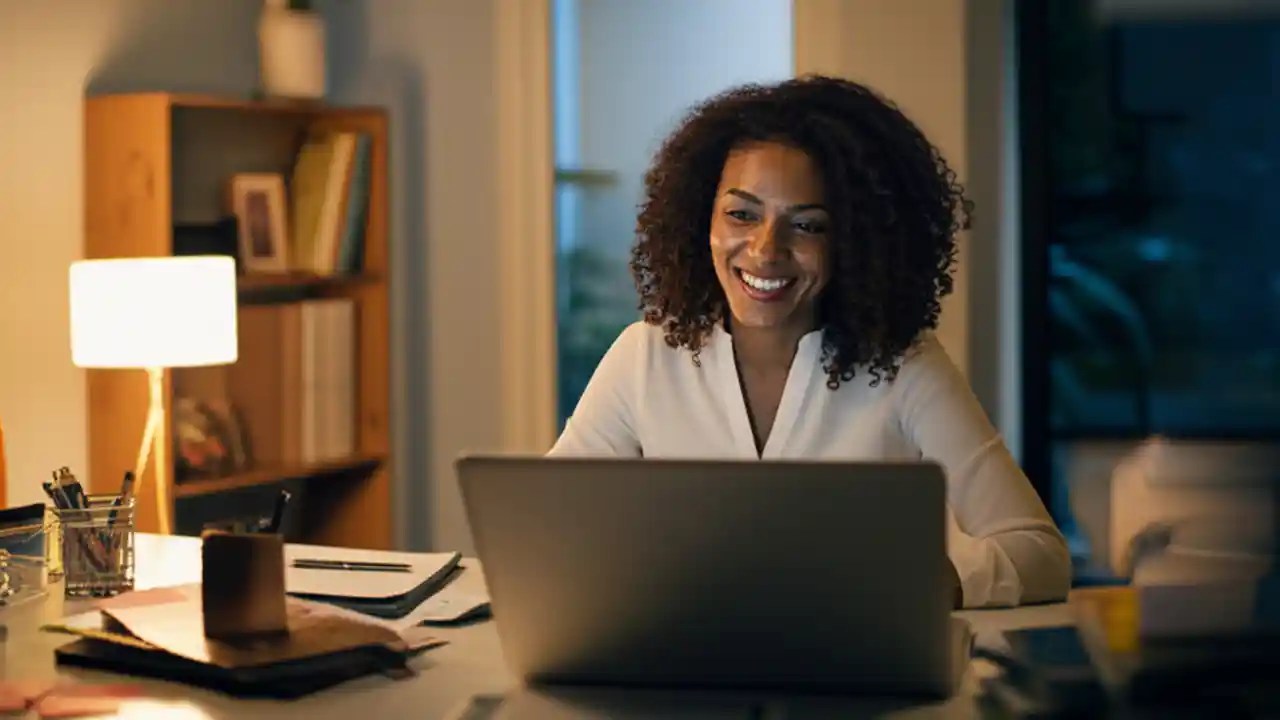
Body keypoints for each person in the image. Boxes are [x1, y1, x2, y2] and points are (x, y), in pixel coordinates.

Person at [549, 75, 1071, 609]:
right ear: (697, 217)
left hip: (858, 677)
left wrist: (913, 583)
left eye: (807, 226)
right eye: (741, 214)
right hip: (682, 668)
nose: (765, 249)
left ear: (855, 241)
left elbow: (1039, 553)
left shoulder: (904, 367)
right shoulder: (644, 357)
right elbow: (546, 525)